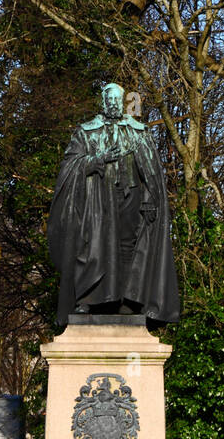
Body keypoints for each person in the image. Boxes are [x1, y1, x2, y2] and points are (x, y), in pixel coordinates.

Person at [47, 82, 180, 327]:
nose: (113, 104)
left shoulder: (138, 132)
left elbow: (152, 174)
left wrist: (150, 199)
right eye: (109, 100)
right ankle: (91, 298)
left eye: (117, 100)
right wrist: (97, 159)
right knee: (93, 245)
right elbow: (69, 167)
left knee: (128, 246)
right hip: (98, 202)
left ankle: (127, 300)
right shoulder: (87, 133)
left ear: (123, 103)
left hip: (132, 198)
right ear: (102, 102)